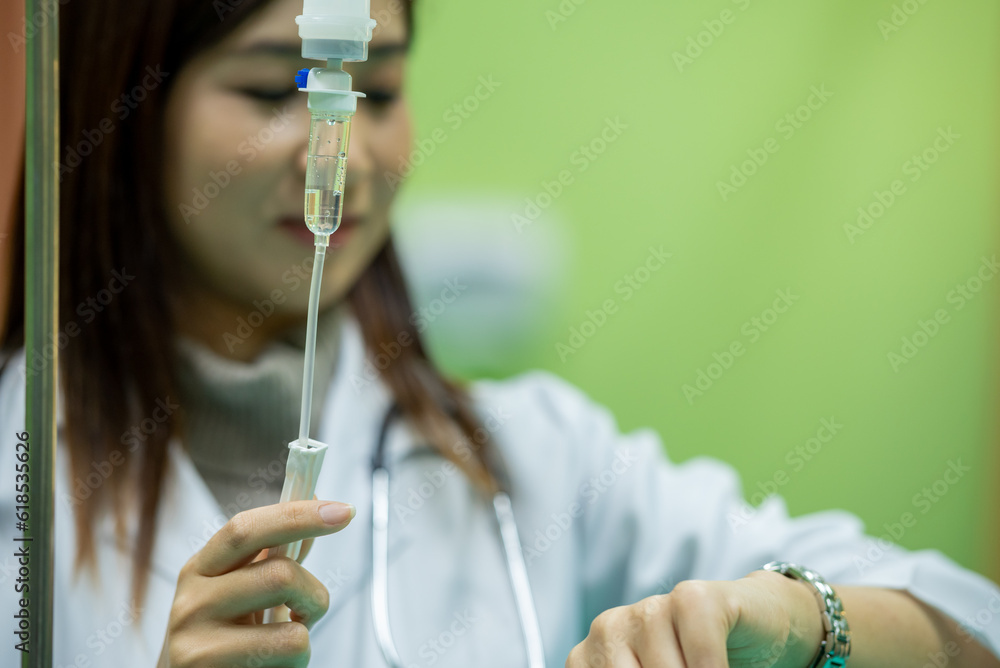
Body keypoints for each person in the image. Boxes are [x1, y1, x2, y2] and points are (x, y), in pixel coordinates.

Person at [2, 0, 1000, 666]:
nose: (337, 152)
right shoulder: (19, 465)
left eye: (376, 91)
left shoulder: (529, 453)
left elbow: (971, 620)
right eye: (280, 88)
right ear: (123, 104)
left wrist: (792, 620)